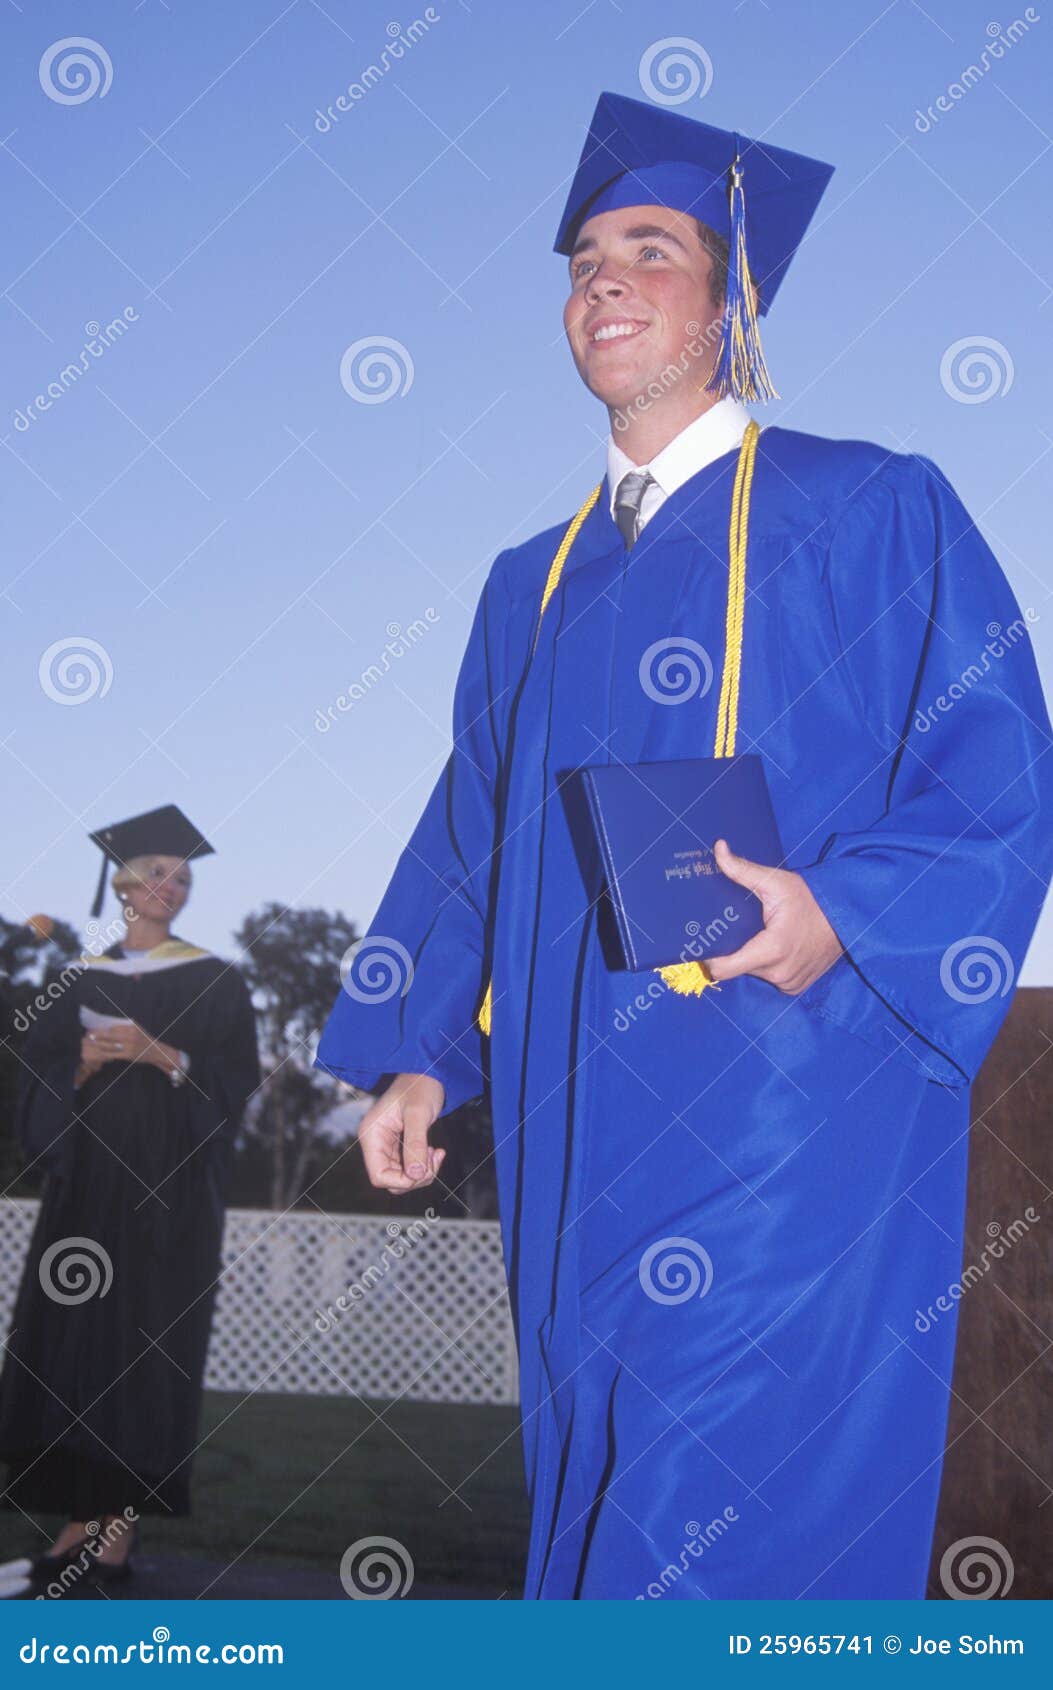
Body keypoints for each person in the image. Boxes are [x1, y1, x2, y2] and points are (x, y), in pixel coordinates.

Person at [314, 92, 1053, 1599]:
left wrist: (846, 908)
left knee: (708, 1505)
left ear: (734, 305)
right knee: (593, 1471)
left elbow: (1001, 758)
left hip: (791, 1086)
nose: (601, 277)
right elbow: (472, 829)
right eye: (583, 255)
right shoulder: (531, 582)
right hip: (576, 1122)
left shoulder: (870, 504)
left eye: (651, 249)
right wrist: (421, 1052)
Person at [0, 805, 259, 1592]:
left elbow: (233, 1089)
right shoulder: (78, 980)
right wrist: (76, 1063)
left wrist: (160, 1054)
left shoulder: (215, 980)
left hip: (167, 1205)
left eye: (182, 877)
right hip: (85, 1200)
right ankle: (77, 1538)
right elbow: (31, 1092)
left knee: (138, 1360)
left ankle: (106, 1551)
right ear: (119, 882)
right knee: (73, 1354)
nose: (171, 887)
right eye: (156, 873)